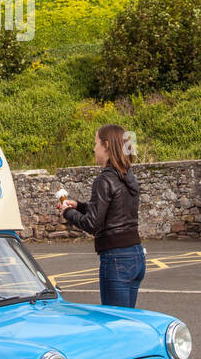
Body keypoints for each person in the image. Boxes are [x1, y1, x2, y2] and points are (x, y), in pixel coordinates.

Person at [59, 125, 145, 308]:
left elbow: (92, 224)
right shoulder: (128, 176)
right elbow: (114, 210)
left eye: (95, 143)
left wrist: (67, 212)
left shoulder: (104, 180)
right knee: (127, 321)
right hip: (136, 255)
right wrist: (80, 206)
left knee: (115, 322)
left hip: (116, 259)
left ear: (106, 145)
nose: (93, 148)